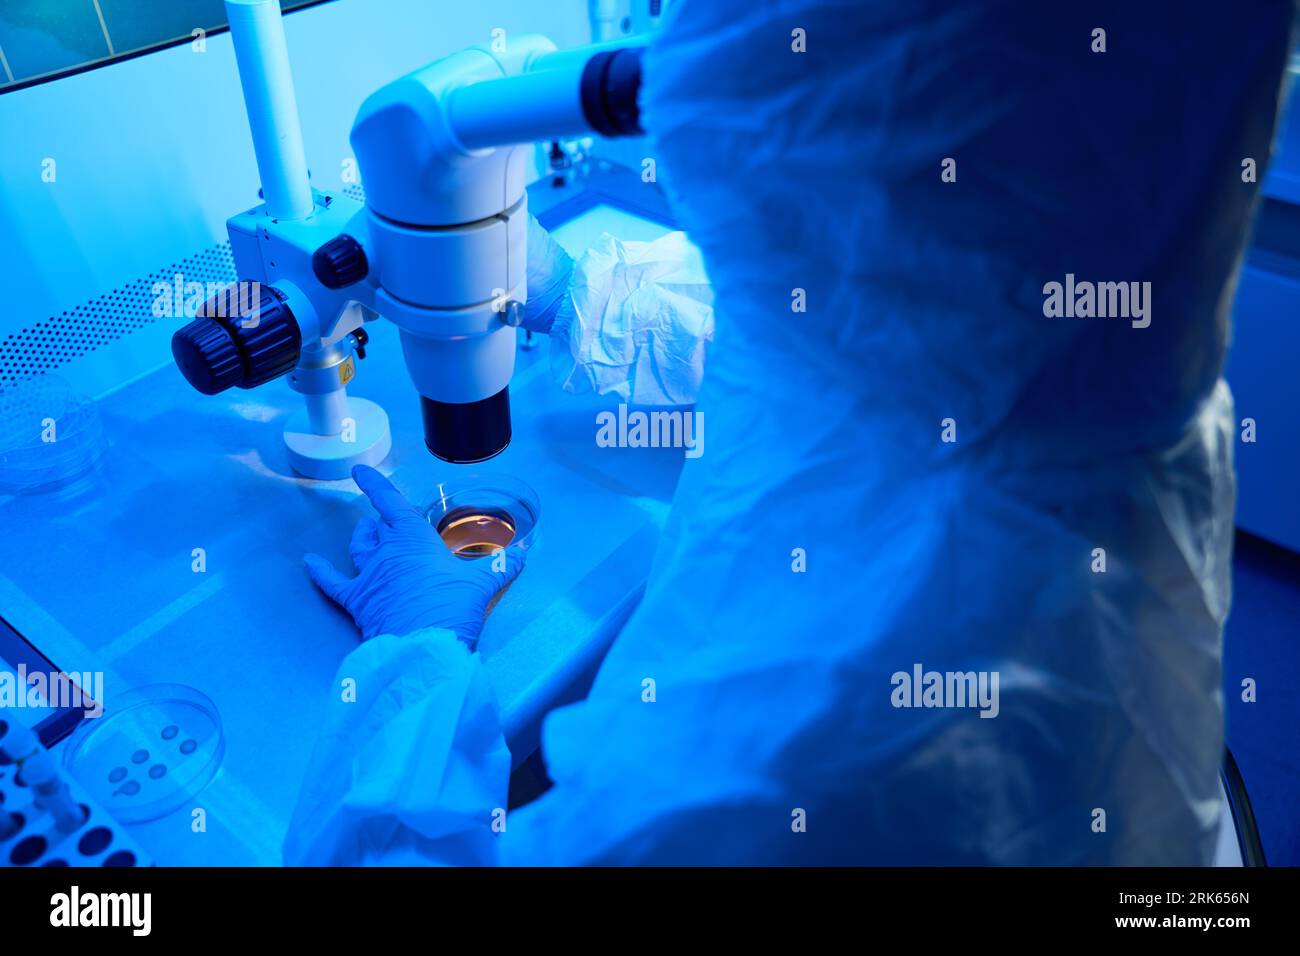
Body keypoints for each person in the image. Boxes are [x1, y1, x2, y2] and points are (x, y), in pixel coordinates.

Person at [285, 0, 1295, 864]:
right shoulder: (1079, 364)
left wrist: (412, 668)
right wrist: (566, 292)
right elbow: (840, 334)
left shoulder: (809, 759)